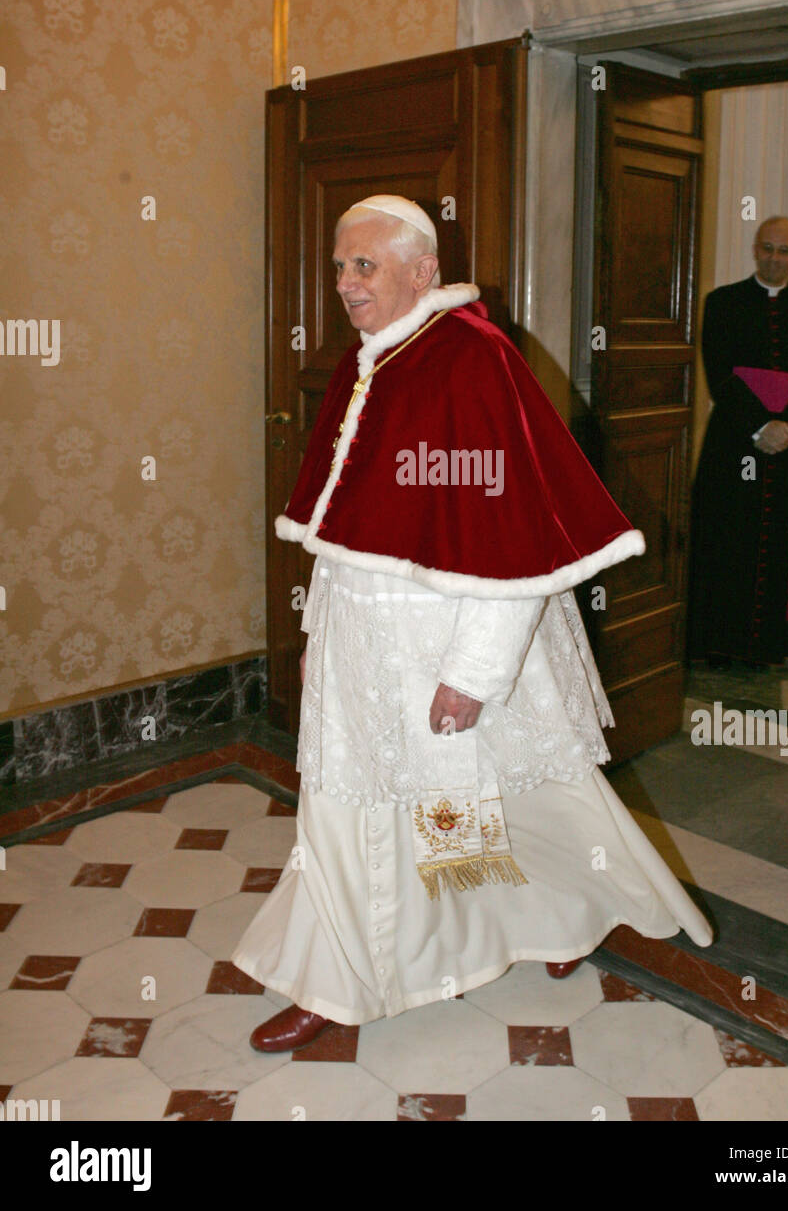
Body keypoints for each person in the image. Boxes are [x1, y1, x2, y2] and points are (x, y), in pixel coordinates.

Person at [233, 194, 714, 1052]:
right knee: (351, 809)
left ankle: (569, 911)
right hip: (362, 644)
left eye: (363, 266)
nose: (345, 284)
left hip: (449, 643)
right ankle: (334, 978)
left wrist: (476, 675)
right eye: (340, 266)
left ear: (423, 271)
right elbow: (344, 532)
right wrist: (320, 639)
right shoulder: (367, 363)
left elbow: (516, 539)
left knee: (515, 802)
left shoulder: (474, 359)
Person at [687, 216, 788, 668]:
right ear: (754, 249)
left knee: (777, 538)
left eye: (783, 250)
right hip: (734, 439)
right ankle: (718, 640)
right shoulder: (723, 302)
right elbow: (719, 374)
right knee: (727, 534)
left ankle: (769, 644)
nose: (774, 258)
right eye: (766, 248)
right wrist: (759, 427)